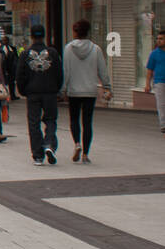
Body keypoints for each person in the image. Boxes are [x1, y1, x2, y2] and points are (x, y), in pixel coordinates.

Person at [61, 19, 111, 163]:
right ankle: (85, 154)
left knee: (74, 119)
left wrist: (63, 89)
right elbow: (102, 70)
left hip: (74, 91)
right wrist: (107, 86)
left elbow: (66, 71)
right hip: (90, 91)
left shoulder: (68, 48)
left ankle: (77, 144)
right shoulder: (96, 49)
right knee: (87, 122)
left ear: (75, 32)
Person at [17, 24, 63, 166]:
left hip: (32, 93)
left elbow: (19, 75)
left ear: (31, 36)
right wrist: (56, 88)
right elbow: (59, 74)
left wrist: (23, 90)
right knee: (50, 119)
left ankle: (38, 155)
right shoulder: (53, 53)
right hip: (50, 92)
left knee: (33, 123)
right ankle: (49, 143)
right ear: (44, 35)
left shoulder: (25, 54)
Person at [146, 30, 165, 134]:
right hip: (159, 82)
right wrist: (147, 84)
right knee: (161, 104)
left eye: (161, 39)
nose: (158, 41)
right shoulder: (154, 54)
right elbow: (149, 70)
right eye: (157, 39)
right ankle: (163, 125)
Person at [0, 34, 20, 101]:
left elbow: (16, 58)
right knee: (3, 83)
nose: (5, 41)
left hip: (11, 68)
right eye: (3, 40)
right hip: (3, 68)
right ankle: (4, 95)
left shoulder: (12, 48)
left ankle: (12, 95)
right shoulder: (0, 49)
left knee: (12, 82)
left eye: (6, 40)